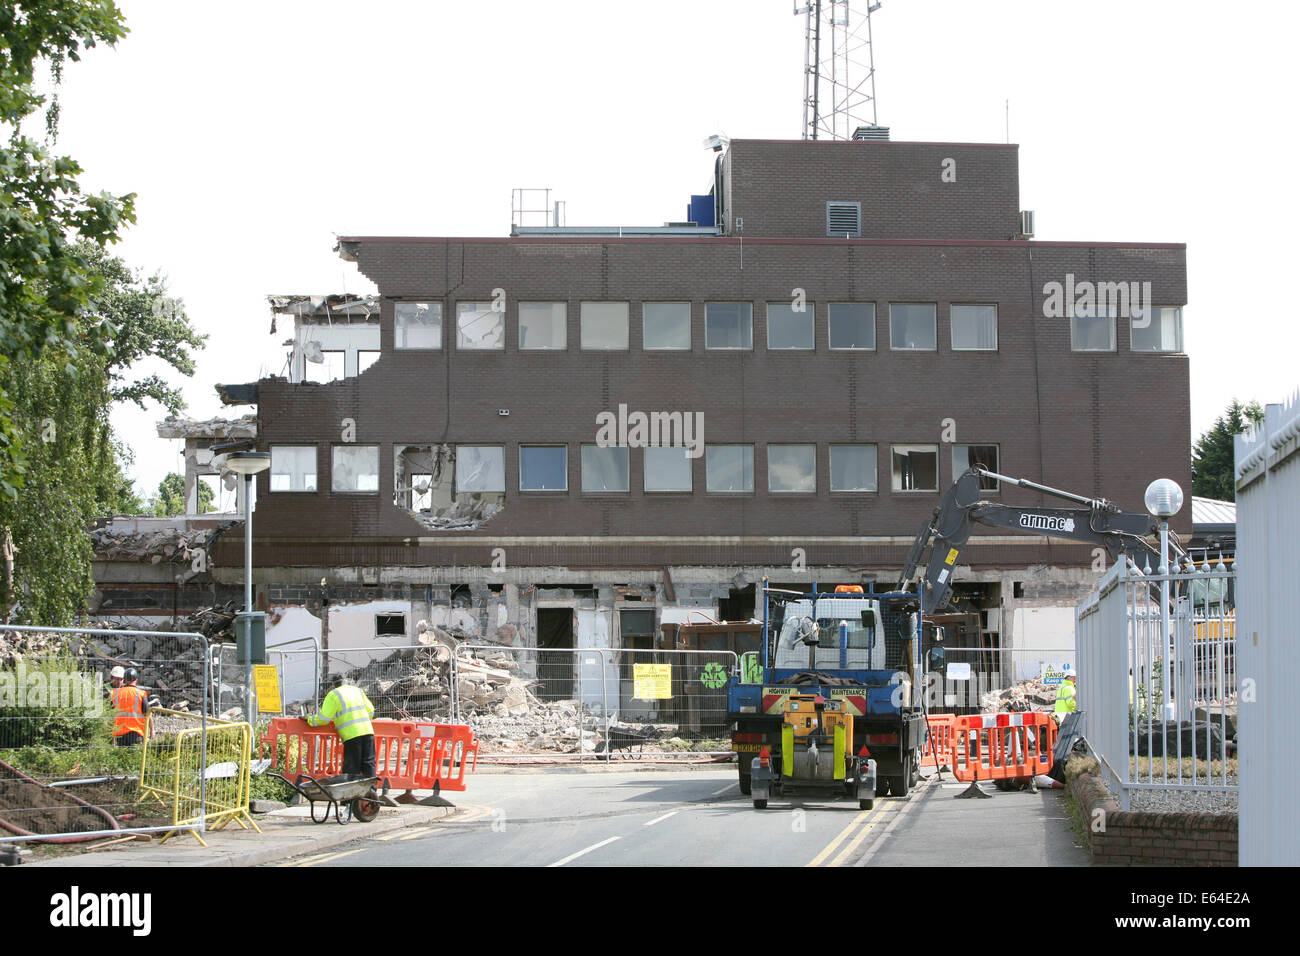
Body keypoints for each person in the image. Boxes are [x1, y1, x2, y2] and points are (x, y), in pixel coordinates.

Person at [305, 676, 376, 781]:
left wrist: (309, 720)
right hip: (367, 731)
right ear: (346, 682)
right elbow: (370, 711)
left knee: (352, 767)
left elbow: (324, 718)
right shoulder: (358, 691)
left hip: (351, 735)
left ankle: (351, 795)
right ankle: (371, 792)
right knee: (369, 763)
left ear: (334, 685)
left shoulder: (334, 694)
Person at [111, 667, 151, 746]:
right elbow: (148, 714)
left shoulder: (115, 693)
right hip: (136, 731)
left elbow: (110, 714)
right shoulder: (141, 694)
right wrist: (152, 731)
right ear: (136, 680)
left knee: (121, 755)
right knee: (135, 756)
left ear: (124, 680)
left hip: (120, 731)